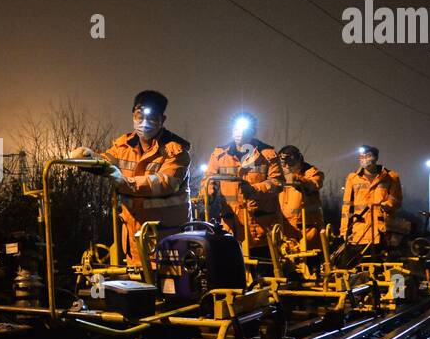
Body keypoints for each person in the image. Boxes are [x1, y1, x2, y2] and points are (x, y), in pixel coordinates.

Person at [71, 89, 190, 259]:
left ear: (162, 120)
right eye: (139, 116)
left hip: (168, 242)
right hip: (134, 242)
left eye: (151, 118)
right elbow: (107, 161)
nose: (144, 123)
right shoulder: (123, 147)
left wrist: (124, 182)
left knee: (170, 285)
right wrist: (88, 157)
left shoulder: (176, 151)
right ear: (133, 116)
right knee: (136, 285)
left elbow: (165, 183)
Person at [205, 114, 283, 250]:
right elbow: (208, 178)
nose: (239, 133)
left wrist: (254, 190)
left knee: (264, 268)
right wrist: (207, 193)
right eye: (235, 129)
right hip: (231, 226)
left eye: (243, 130)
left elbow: (277, 182)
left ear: (253, 131)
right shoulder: (219, 154)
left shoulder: (267, 155)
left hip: (260, 227)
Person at [340, 145, 402, 258]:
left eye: (368, 156)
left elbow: (396, 199)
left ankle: (396, 277)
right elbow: (347, 206)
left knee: (388, 266)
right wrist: (344, 231)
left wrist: (387, 205)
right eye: (361, 156)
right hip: (360, 232)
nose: (364, 159)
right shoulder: (353, 178)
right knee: (359, 267)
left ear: (376, 157)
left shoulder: (391, 177)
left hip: (384, 231)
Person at [276, 145, 325, 251]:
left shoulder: (312, 173)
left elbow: (314, 184)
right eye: (283, 164)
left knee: (311, 263)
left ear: (298, 161)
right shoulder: (279, 175)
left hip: (307, 230)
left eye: (289, 163)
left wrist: (296, 179)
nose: (286, 167)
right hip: (286, 230)